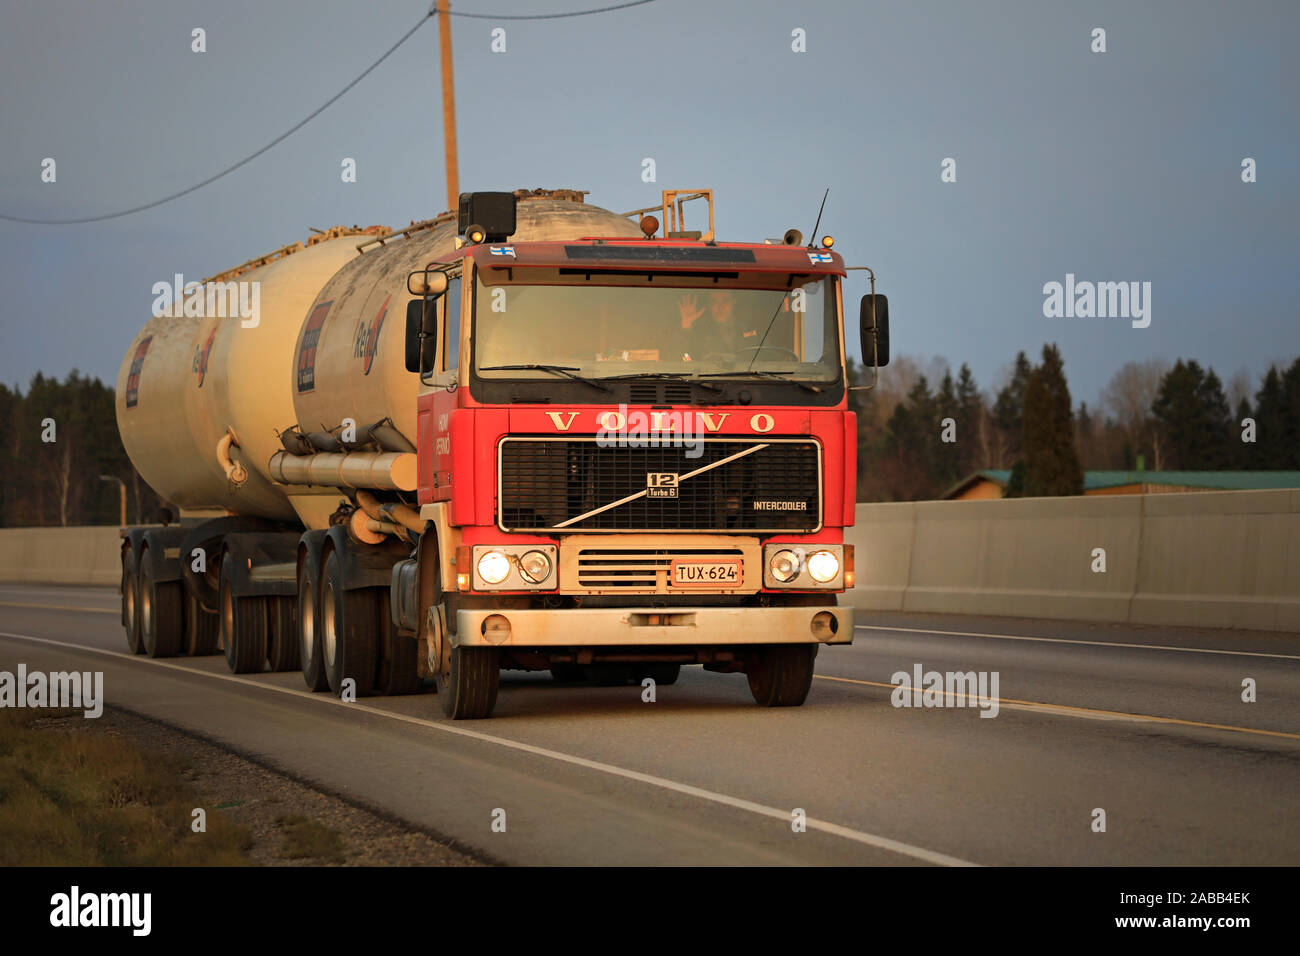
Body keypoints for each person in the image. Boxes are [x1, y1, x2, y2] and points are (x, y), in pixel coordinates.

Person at [675, 290, 758, 360]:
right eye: (714, 302)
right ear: (709, 305)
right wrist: (686, 324)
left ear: (733, 302)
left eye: (725, 301)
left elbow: (766, 356)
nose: (720, 307)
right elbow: (682, 357)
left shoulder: (749, 331)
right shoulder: (700, 333)